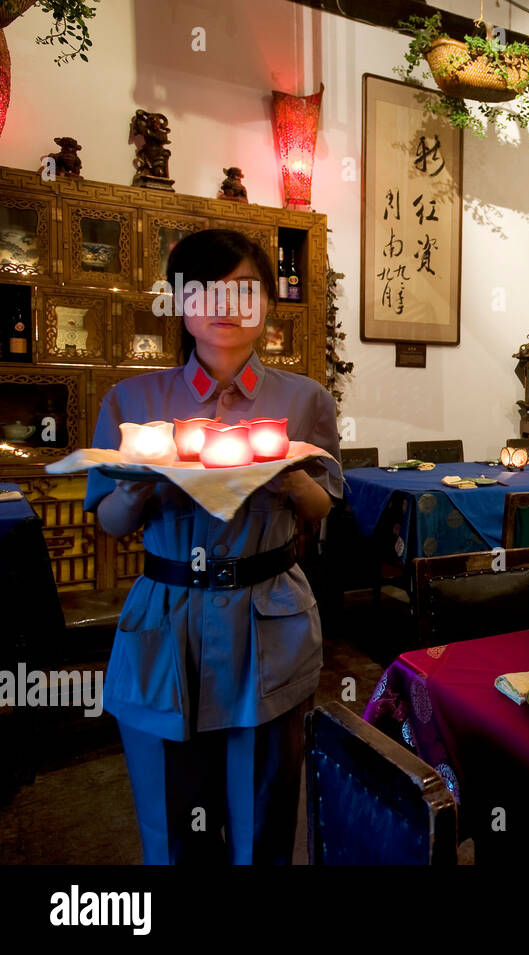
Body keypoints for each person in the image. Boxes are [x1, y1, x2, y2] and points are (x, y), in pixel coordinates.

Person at [85, 229, 342, 864]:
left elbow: (325, 505)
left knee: (265, 811)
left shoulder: (305, 399)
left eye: (244, 290)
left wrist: (286, 475)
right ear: (177, 303)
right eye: (203, 290)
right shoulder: (133, 401)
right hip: (166, 616)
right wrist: (141, 483)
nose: (225, 306)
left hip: (268, 614)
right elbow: (112, 522)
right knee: (174, 822)